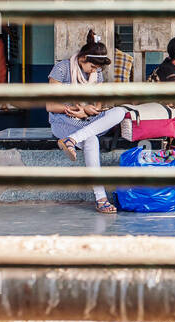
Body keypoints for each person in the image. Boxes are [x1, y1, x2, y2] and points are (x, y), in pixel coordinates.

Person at [45, 30, 126, 215]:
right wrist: (74, 109)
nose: (95, 71)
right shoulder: (62, 69)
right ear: (82, 58)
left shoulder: (96, 74)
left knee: (120, 111)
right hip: (63, 120)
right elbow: (50, 105)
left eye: (98, 69)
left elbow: (97, 104)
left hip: (88, 121)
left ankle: (71, 140)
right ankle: (101, 199)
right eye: (93, 66)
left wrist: (90, 109)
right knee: (91, 140)